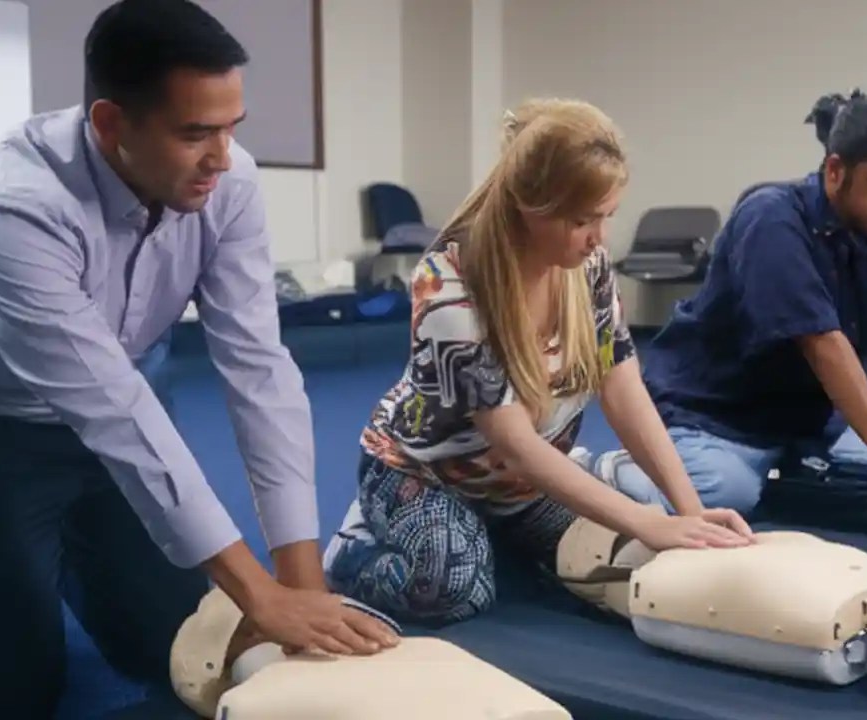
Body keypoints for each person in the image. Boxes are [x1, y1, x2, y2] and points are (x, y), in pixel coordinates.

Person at [0, 2, 393, 718]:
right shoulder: (8, 211)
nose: (223, 156)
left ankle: (80, 565)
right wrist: (257, 590)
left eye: (231, 128)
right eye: (194, 133)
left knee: (174, 640)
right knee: (4, 688)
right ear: (111, 125)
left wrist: (299, 582)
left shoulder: (228, 179)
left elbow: (257, 367)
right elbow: (112, 411)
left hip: (131, 402)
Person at [322, 98, 754, 625]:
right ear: (531, 205)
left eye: (607, 216)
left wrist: (685, 509)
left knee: (624, 565)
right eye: (583, 220)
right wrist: (647, 519)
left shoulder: (587, 265)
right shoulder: (448, 288)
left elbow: (622, 388)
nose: (600, 238)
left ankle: (487, 535)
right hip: (422, 472)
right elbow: (518, 446)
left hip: (515, 484)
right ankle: (353, 549)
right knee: (457, 590)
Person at [596, 90, 867, 518]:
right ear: (834, 171)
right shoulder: (771, 217)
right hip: (711, 415)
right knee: (725, 493)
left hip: (799, 423)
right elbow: (823, 345)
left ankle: (774, 473)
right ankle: (624, 469)